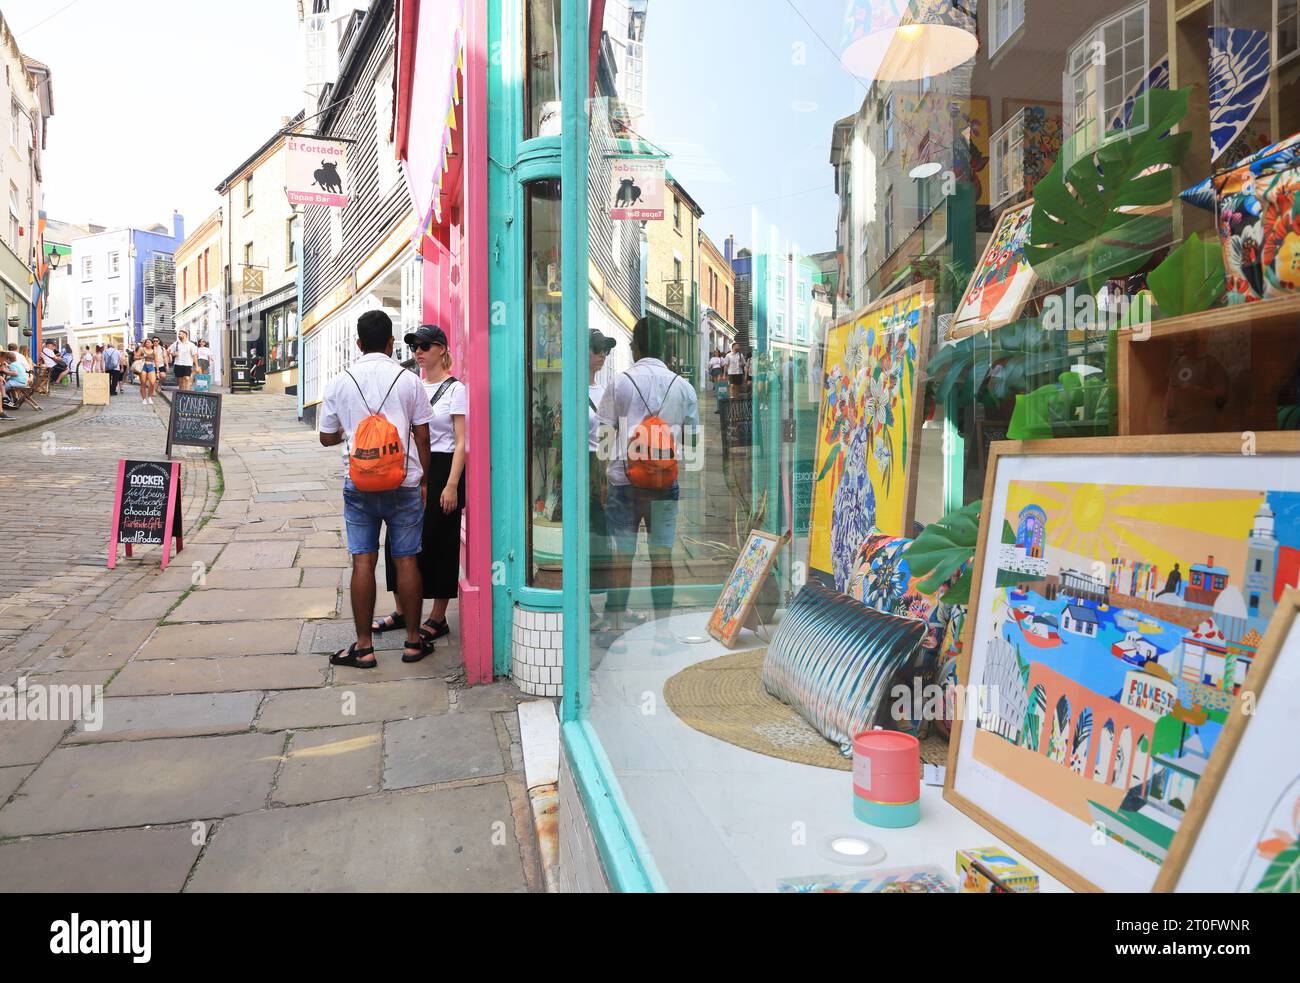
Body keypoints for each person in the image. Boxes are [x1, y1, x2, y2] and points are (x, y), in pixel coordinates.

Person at [319, 310, 435, 668]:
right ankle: (413, 643)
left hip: (359, 484)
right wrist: (424, 479)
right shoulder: (409, 380)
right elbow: (423, 433)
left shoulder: (340, 382)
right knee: (407, 559)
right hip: (404, 482)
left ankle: (365, 647)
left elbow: (326, 437)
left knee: (363, 560)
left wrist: (350, 432)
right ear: (390, 342)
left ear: (358, 344)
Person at [596, 316, 699, 648]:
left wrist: (603, 477)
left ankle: (615, 631)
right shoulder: (683, 387)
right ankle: (662, 635)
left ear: (634, 346)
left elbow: (603, 435)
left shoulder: (620, 384)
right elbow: (693, 441)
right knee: (662, 557)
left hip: (624, 485)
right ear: (666, 347)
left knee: (621, 558)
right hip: (664, 485)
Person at [371, 325, 467, 648]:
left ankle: (438, 617)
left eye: (425, 345)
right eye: (413, 346)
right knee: (399, 542)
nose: (418, 351)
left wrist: (452, 484)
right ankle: (403, 611)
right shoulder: (412, 385)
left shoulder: (456, 390)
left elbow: (461, 443)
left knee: (440, 540)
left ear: (442, 349)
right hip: (410, 467)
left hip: (442, 469)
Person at [588, 329, 617, 612]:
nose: (602, 356)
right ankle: (585, 605)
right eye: (597, 349)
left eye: (605, 351)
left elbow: (608, 433)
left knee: (602, 534)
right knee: (585, 535)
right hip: (581, 467)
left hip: (602, 465)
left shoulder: (606, 389)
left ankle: (607, 603)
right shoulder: (571, 389)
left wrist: (605, 474)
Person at [1, 350, 29, 417]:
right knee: (6, 383)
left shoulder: (12, 365)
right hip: (23, 382)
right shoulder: (17, 363)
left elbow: (15, 373)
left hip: (17, 382)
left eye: (5, 359)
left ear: (8, 359)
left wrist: (4, 370)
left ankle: (6, 400)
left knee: (3, 387)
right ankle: (8, 400)